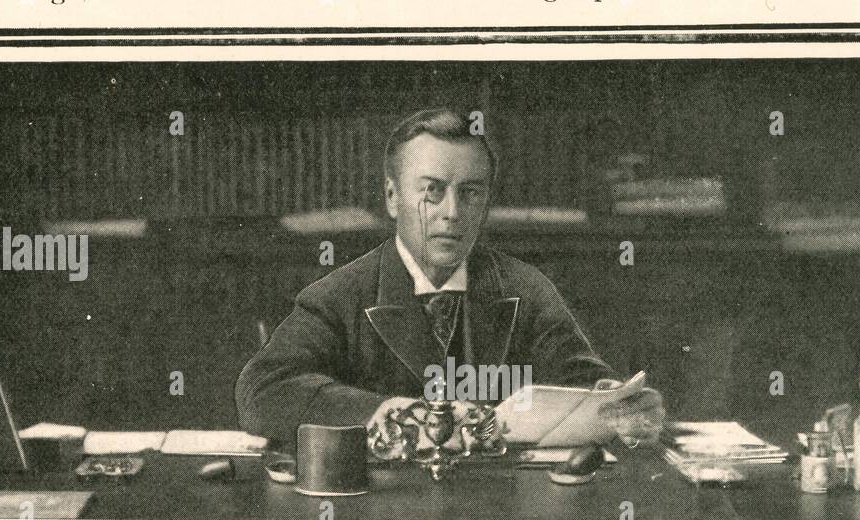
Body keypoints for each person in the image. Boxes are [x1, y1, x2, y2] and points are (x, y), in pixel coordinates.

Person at [235, 107, 664, 451]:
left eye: (470, 192)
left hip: (499, 512)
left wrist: (621, 406)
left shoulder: (526, 289)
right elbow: (264, 390)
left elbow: (584, 381)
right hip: (381, 512)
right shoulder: (338, 297)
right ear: (392, 198)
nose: (452, 212)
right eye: (431, 191)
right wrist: (394, 411)